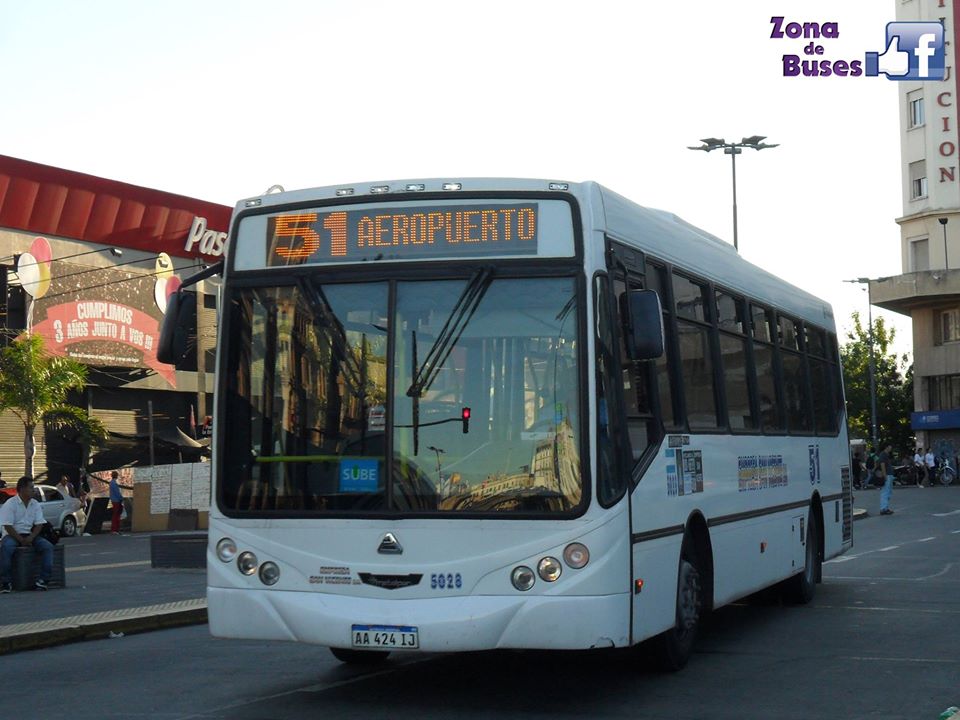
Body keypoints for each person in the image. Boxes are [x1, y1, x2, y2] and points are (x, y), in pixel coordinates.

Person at [0, 476, 54, 592]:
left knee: (47, 547)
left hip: (29, 535)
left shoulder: (35, 504)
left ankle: (43, 580)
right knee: (6, 547)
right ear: (22, 489)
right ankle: (5, 582)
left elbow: (39, 524)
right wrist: (21, 540)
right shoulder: (10, 504)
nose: (33, 490)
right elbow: (8, 526)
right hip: (12, 535)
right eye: (31, 488)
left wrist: (31, 538)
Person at [877, 444, 895, 515]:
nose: (891, 447)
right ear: (886, 447)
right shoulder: (883, 454)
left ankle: (886, 507)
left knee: (888, 492)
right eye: (890, 446)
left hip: (889, 475)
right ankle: (883, 508)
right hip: (887, 475)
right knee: (885, 491)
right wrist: (885, 476)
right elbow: (882, 465)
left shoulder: (886, 454)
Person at [109, 470, 123, 534]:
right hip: (116, 500)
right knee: (116, 515)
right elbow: (117, 492)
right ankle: (115, 529)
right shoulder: (114, 483)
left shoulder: (112, 482)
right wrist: (121, 498)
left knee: (116, 515)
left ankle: (115, 529)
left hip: (114, 500)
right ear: (116, 476)